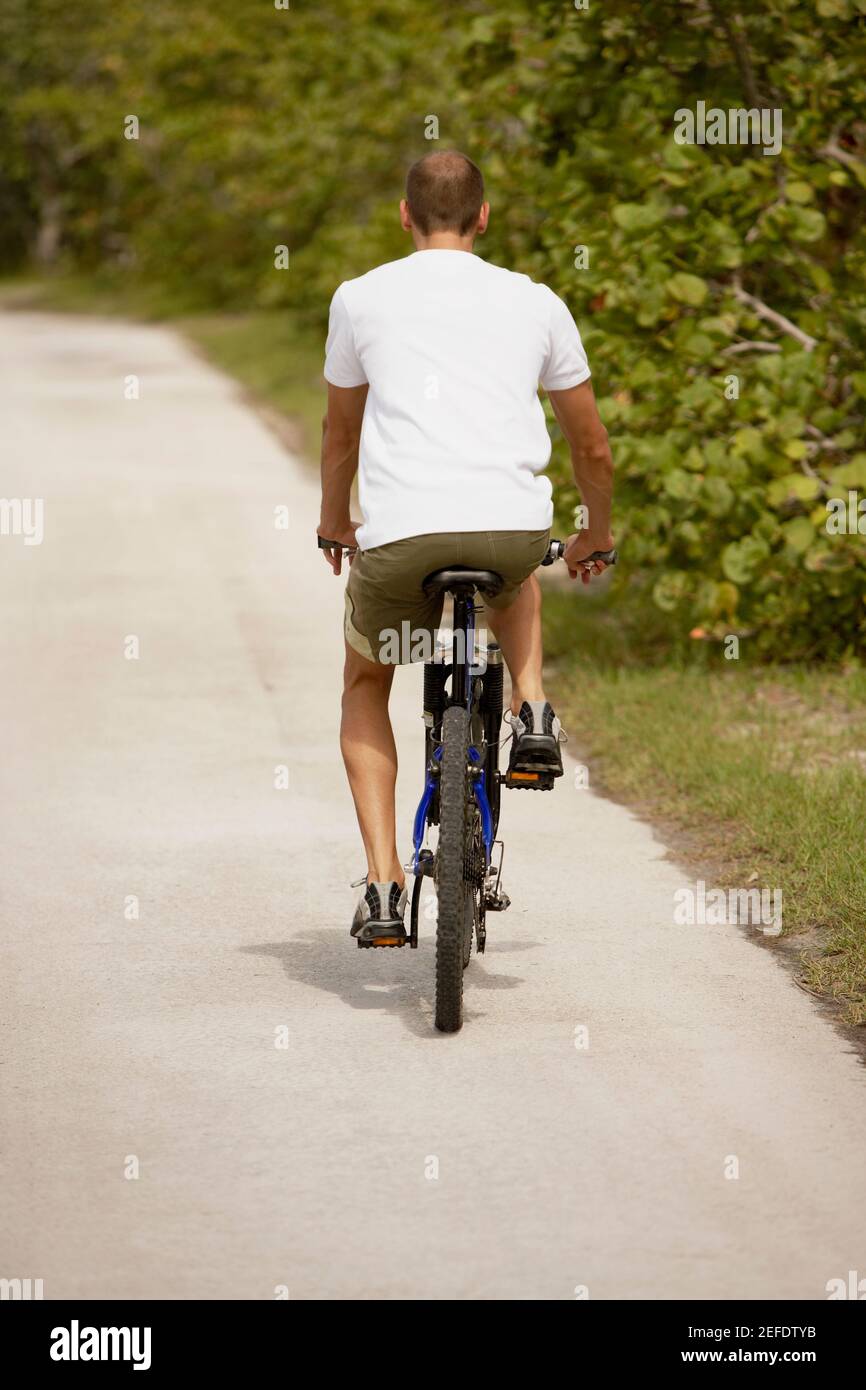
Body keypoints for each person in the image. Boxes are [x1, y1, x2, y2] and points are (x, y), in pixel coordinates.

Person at [318, 150, 614, 944]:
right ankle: (535, 706)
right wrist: (597, 534)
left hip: (401, 536)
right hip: (509, 528)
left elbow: (339, 433)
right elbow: (591, 446)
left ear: (404, 215)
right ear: (484, 217)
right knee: (519, 578)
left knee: (366, 679)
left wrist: (334, 524)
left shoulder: (360, 297)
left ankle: (383, 886)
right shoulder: (536, 301)